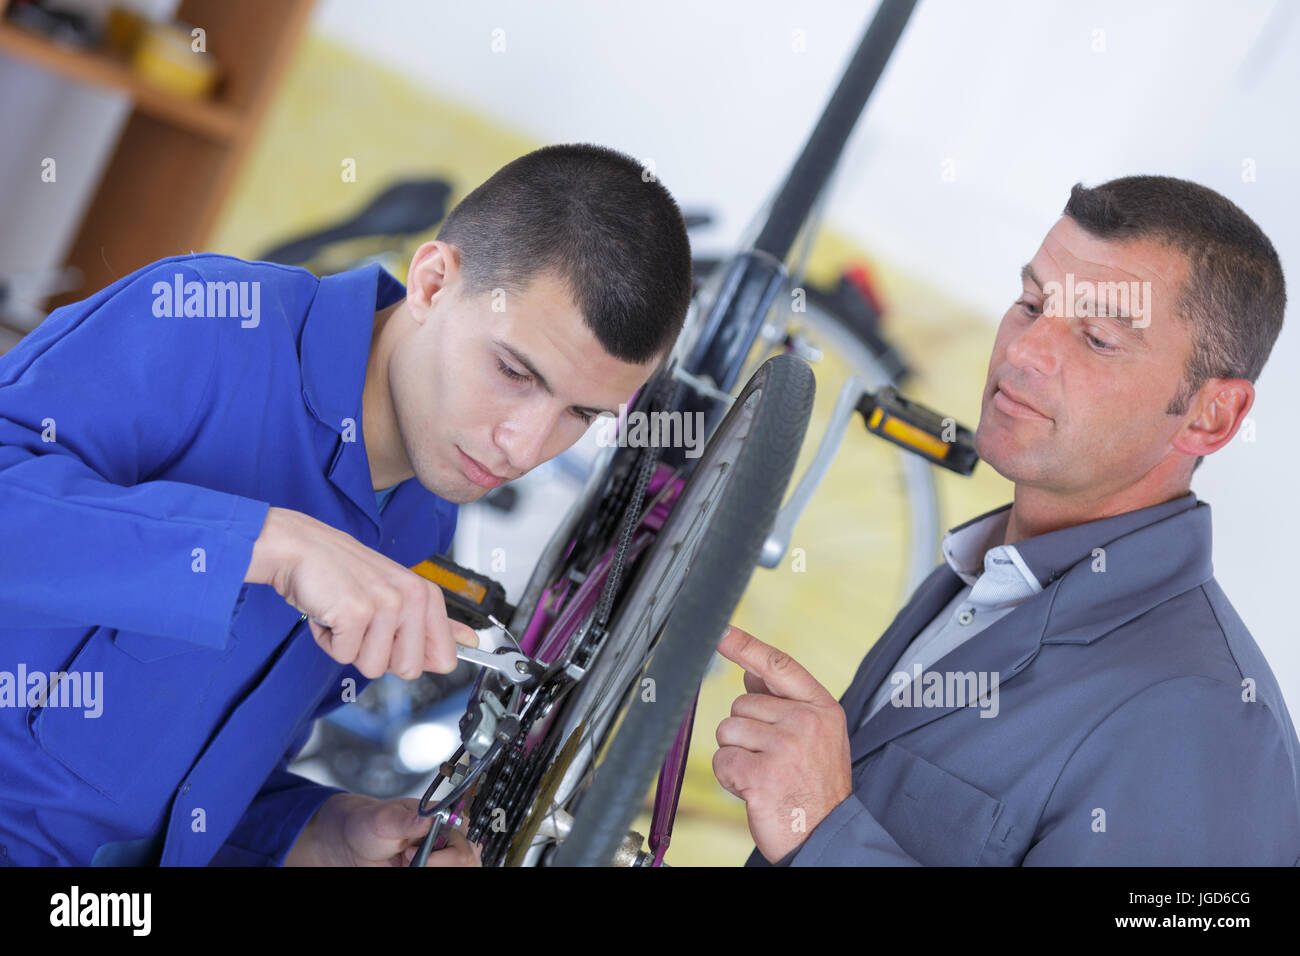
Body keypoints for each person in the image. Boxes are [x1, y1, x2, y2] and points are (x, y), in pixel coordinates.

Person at [0, 143, 693, 866]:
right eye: (514, 371)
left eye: (580, 415)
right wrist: (270, 544)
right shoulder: (205, 328)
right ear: (431, 284)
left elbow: (191, 783)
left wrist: (327, 833)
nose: (524, 445)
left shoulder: (423, 518)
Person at [713, 174, 1300, 865]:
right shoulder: (982, 578)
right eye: (1030, 303)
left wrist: (822, 832)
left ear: (1212, 415)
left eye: (1099, 338)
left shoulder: (1209, 723)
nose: (1022, 351)